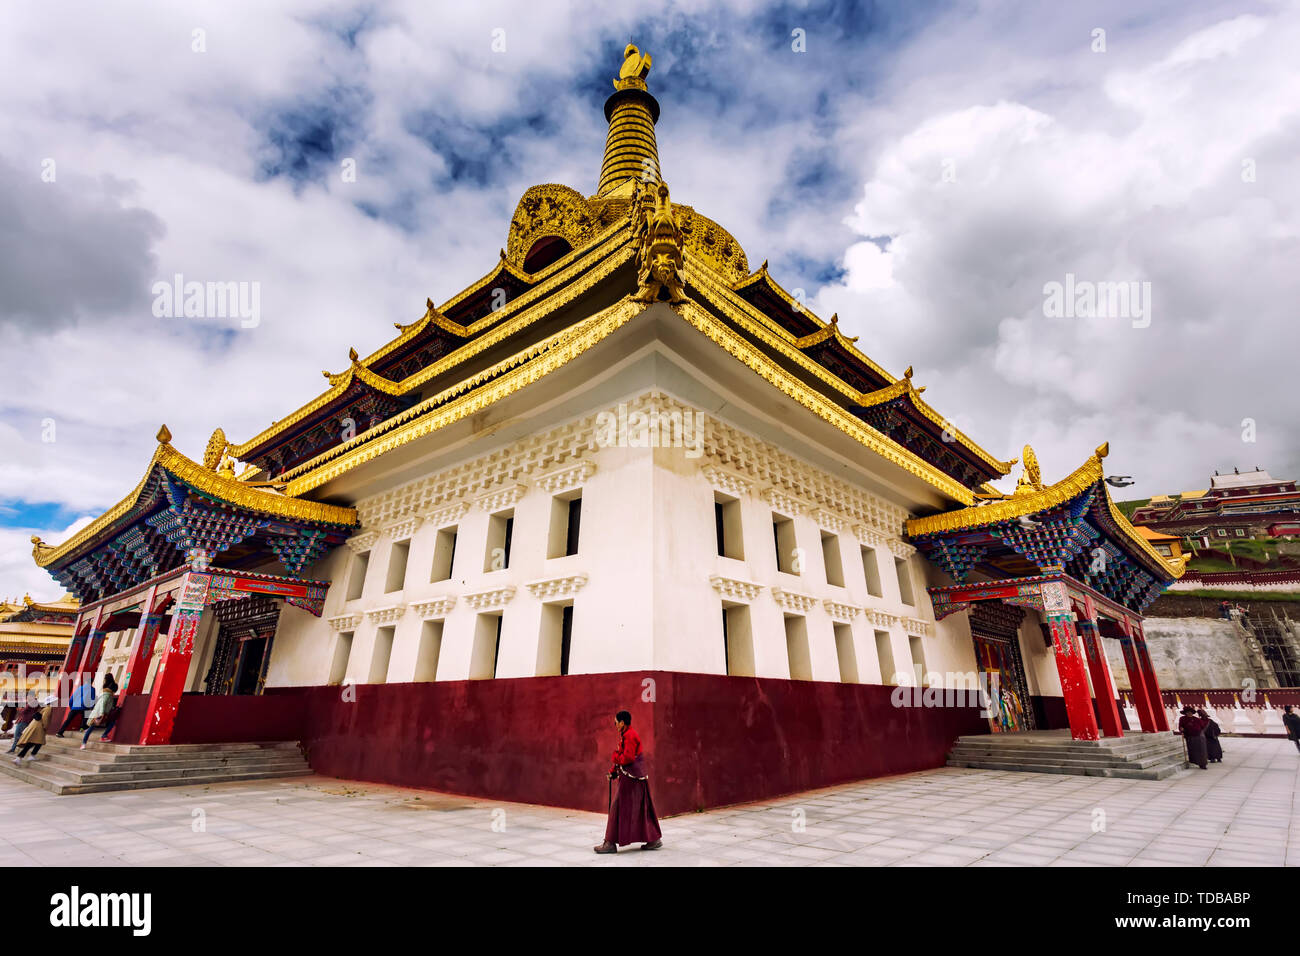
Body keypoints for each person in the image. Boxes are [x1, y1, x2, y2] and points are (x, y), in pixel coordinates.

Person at [594, 710, 663, 854]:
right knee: (641, 808)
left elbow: (627, 758)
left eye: (615, 722)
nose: (615, 725)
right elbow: (624, 758)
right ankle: (653, 839)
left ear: (622, 723)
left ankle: (610, 843)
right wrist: (613, 771)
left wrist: (614, 757)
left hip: (631, 781)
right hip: (634, 779)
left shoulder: (630, 736)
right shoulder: (627, 736)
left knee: (616, 808)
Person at [80, 674, 118, 749]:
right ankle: (85, 742)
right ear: (113, 689)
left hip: (100, 712)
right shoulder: (108, 695)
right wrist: (102, 714)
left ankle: (84, 743)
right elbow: (103, 704)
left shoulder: (105, 692)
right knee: (93, 727)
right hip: (100, 713)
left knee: (92, 728)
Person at [1178, 705, 1209, 770]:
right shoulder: (1182, 719)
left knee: (1202, 751)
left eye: (1190, 712)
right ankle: (1195, 761)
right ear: (1185, 713)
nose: (1189, 713)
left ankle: (1203, 764)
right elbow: (1180, 726)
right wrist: (1181, 729)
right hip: (1190, 737)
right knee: (1193, 751)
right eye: (1187, 712)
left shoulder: (1197, 719)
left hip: (1199, 737)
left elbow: (1203, 725)